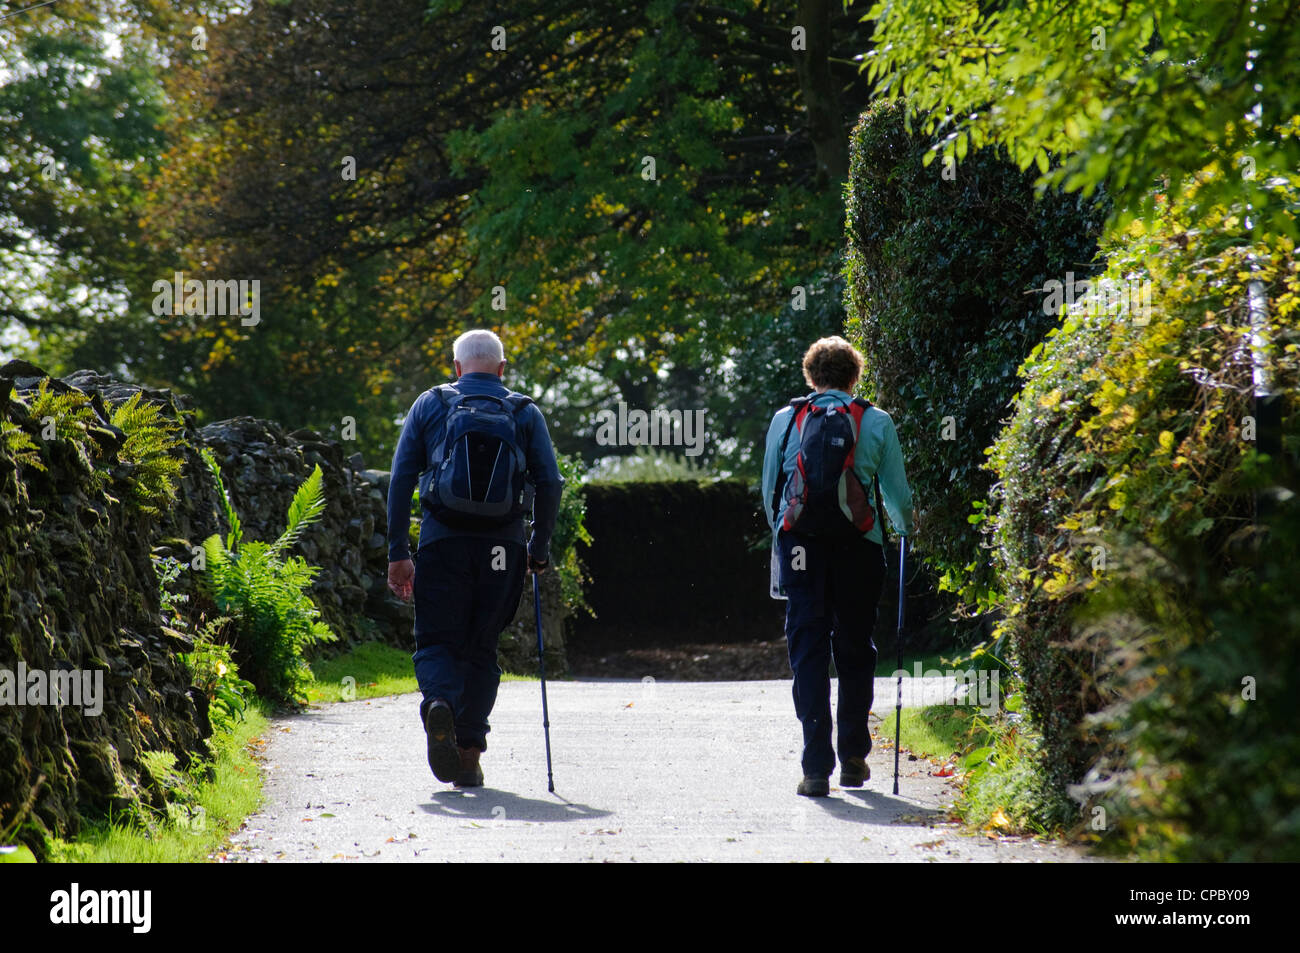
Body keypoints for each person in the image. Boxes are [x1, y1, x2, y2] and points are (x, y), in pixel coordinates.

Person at [386, 329, 562, 788]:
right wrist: (538, 550)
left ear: (457, 368)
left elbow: (401, 478)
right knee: (482, 647)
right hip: (503, 550)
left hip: (443, 543)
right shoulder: (524, 411)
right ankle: (467, 753)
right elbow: (550, 483)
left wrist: (398, 553)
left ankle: (438, 703)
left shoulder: (432, 404)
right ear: (502, 370)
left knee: (437, 641)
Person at [760, 336, 915, 797]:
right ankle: (853, 757)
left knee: (808, 649)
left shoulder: (786, 419)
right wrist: (905, 529)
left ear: (810, 377)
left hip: (801, 548)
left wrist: (784, 538)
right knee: (854, 647)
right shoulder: (877, 421)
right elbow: (896, 497)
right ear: (855, 377)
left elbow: (772, 490)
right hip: (859, 548)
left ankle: (814, 768)